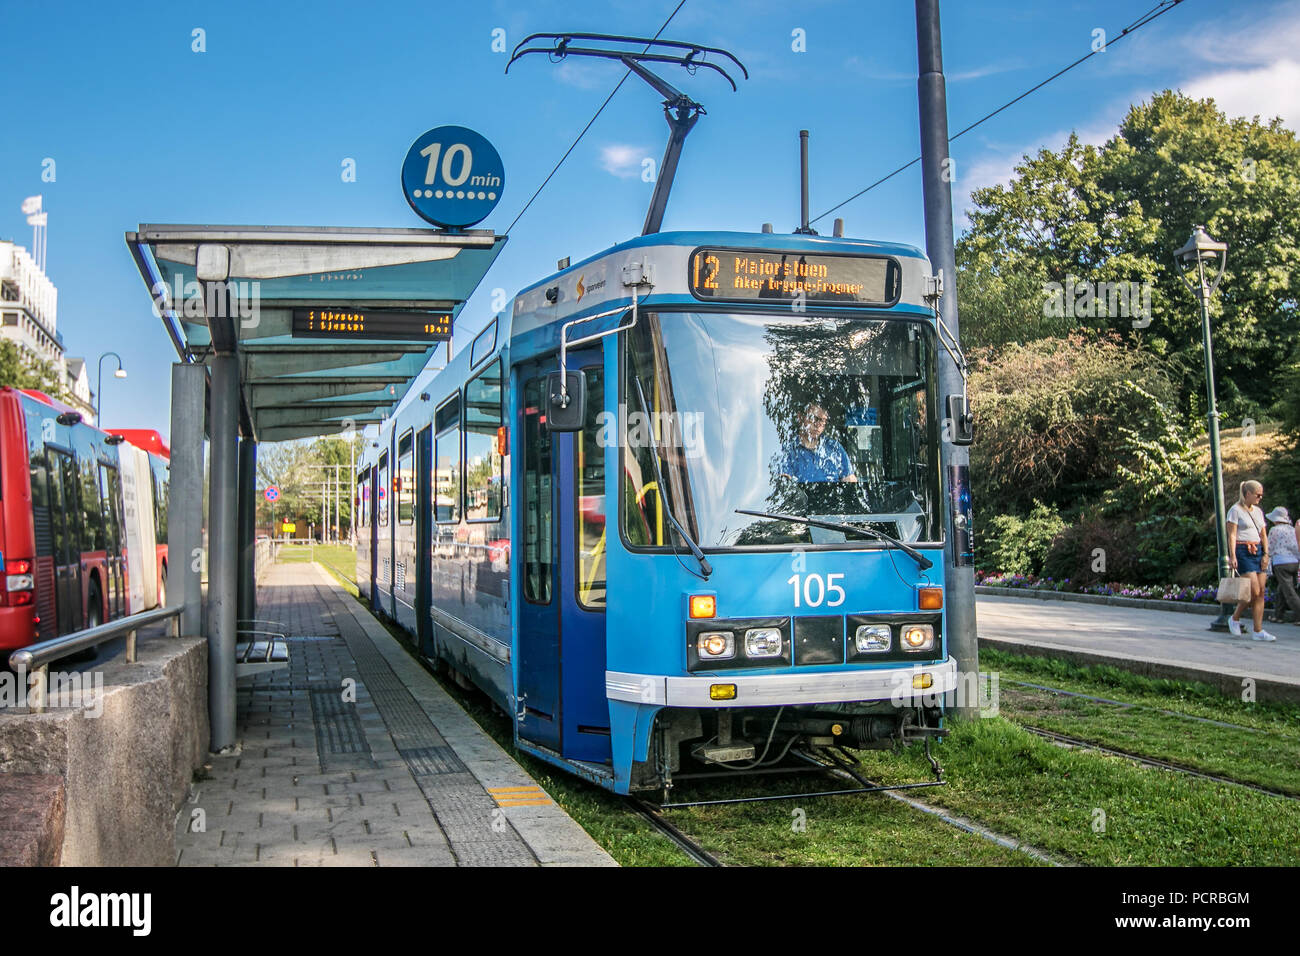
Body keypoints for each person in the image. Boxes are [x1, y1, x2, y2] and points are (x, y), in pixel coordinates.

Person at [1226, 479, 1274, 641]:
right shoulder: (1235, 510)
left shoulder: (1258, 512)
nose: (1260, 498)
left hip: (1258, 550)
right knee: (1253, 591)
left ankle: (1258, 630)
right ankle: (1234, 618)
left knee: (1261, 593)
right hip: (1243, 550)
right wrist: (1232, 555)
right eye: (1257, 495)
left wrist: (1266, 554)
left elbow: (1263, 534)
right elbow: (1232, 534)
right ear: (1248, 494)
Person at [778, 402, 858, 483]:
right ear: (800, 417)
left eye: (823, 421)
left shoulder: (834, 448)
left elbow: (850, 480)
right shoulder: (788, 449)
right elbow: (785, 484)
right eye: (814, 419)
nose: (818, 425)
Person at [1266, 505, 1300, 624]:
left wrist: (1266, 559)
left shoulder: (1274, 530)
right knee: (1282, 589)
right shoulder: (1292, 529)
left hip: (1281, 563)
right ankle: (1278, 615)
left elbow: (1269, 547)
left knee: (1289, 592)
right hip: (1294, 562)